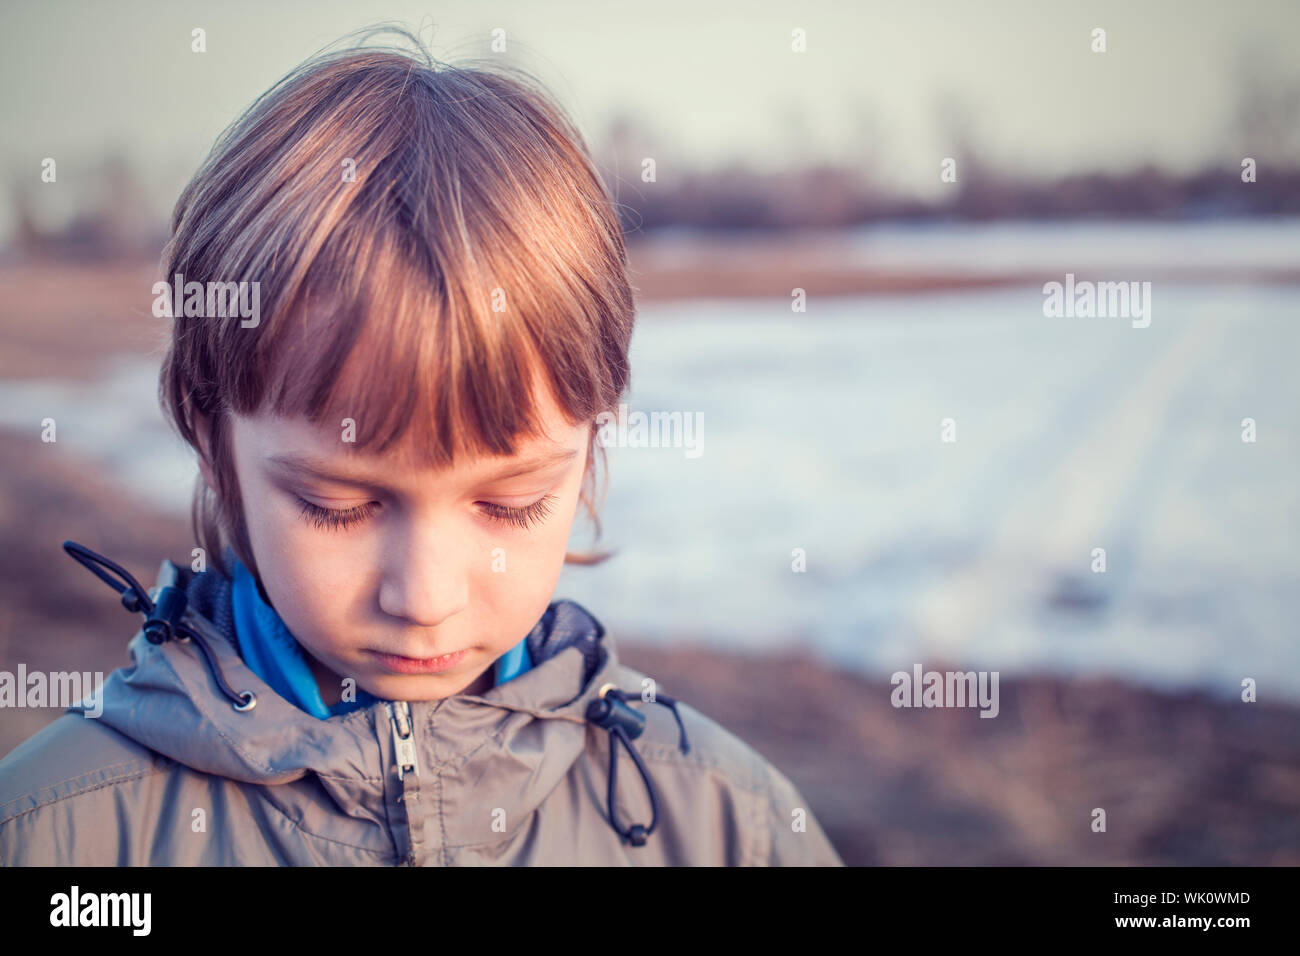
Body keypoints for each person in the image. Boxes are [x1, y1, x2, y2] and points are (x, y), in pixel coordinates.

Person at [0, 27, 843, 866]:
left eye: (509, 502)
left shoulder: (725, 827)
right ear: (211, 438)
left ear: (591, 447)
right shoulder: (57, 835)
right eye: (341, 506)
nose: (426, 597)